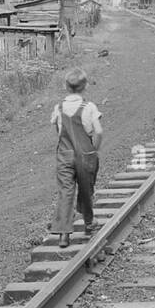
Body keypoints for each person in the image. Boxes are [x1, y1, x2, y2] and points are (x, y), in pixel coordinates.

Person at [49, 68, 103, 249]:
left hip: (65, 154)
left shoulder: (59, 108)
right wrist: (94, 148)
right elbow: (99, 131)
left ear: (66, 86)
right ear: (85, 86)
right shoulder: (89, 107)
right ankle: (88, 222)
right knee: (86, 188)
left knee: (65, 191)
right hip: (85, 154)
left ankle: (64, 235)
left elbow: (57, 129)